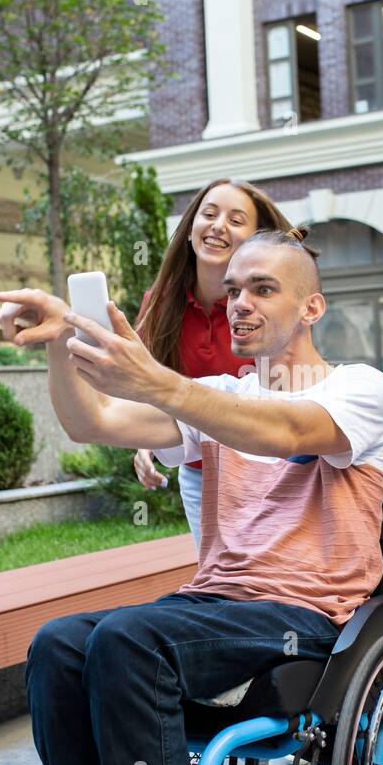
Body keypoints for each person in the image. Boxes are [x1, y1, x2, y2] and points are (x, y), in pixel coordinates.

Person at [0, 227, 383, 765]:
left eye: (262, 289)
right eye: (233, 291)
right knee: (58, 644)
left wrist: (160, 382)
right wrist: (61, 338)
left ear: (312, 307)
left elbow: (287, 431)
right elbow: (93, 421)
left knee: (129, 639)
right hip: (212, 601)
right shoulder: (212, 396)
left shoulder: (360, 388)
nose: (240, 304)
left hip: (307, 614)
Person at [132, 179, 294, 548]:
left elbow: (285, 398)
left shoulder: (267, 305)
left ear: (256, 240)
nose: (219, 225)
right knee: (214, 577)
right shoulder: (159, 303)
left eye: (236, 220)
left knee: (266, 575)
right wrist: (144, 443)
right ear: (191, 229)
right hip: (196, 472)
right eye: (209, 214)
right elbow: (146, 384)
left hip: (264, 470)